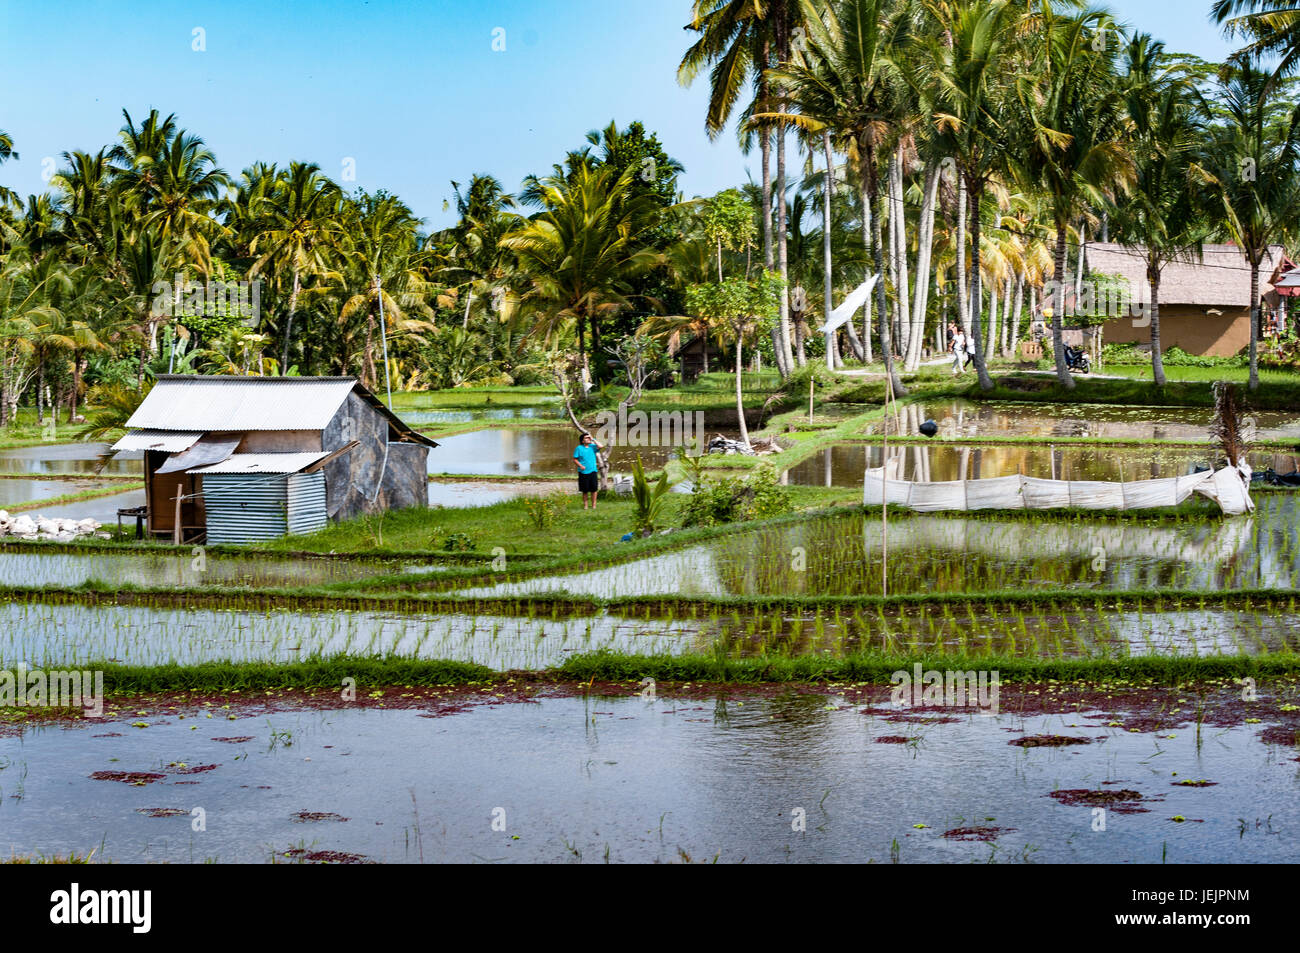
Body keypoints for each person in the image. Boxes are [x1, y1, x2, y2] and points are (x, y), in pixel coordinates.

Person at [573, 432, 603, 510]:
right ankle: (585, 506)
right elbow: (575, 459)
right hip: (583, 472)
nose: (588, 439)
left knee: (594, 489)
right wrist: (581, 466)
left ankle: (594, 505)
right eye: (586, 438)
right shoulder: (579, 448)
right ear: (582, 441)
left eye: (589, 437)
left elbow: (601, 446)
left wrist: (593, 439)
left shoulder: (592, 447)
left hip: (593, 471)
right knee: (585, 490)